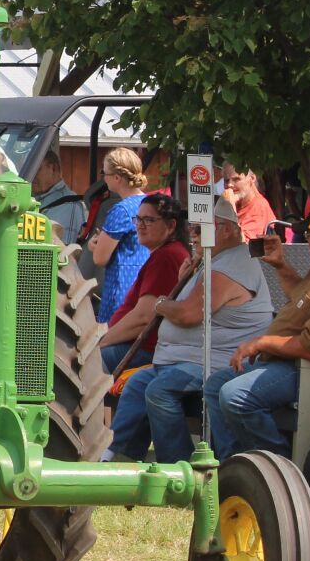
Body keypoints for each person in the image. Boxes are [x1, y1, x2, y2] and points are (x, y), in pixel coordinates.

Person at [203, 200, 310, 458]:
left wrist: (261, 343)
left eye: (309, 235)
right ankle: (233, 464)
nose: (306, 241)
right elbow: (301, 299)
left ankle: (278, 467)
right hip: (294, 364)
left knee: (235, 395)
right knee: (215, 385)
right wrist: (280, 264)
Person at [108, 197, 274, 463]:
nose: (192, 235)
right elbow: (186, 306)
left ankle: (177, 464)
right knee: (138, 384)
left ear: (226, 230)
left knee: (160, 390)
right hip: (184, 358)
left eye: (199, 229)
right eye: (192, 229)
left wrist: (161, 304)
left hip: (215, 361)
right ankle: (120, 457)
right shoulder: (212, 260)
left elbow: (188, 314)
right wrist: (183, 280)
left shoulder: (232, 265)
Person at [97, 193, 192, 377]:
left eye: (148, 220)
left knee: (82, 364)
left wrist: (99, 342)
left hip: (144, 350)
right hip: (140, 346)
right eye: (138, 219)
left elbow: (143, 318)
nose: (140, 225)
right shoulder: (167, 253)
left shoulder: (166, 257)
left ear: (171, 225)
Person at [86, 148, 150, 320]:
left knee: (113, 335)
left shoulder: (121, 211)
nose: (103, 178)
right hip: (145, 288)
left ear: (116, 178)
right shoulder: (150, 204)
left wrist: (94, 246)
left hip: (122, 290)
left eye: (104, 173)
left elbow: (100, 259)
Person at [30, 150, 85, 247]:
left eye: (37, 169)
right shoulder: (33, 198)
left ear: (53, 169)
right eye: (30, 170)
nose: (32, 175)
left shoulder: (68, 205)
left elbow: (63, 253)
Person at [223, 166, 278, 240]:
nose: (229, 185)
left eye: (236, 179)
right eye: (226, 180)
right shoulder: (234, 203)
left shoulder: (258, 207)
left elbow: (243, 243)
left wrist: (231, 207)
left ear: (252, 178)